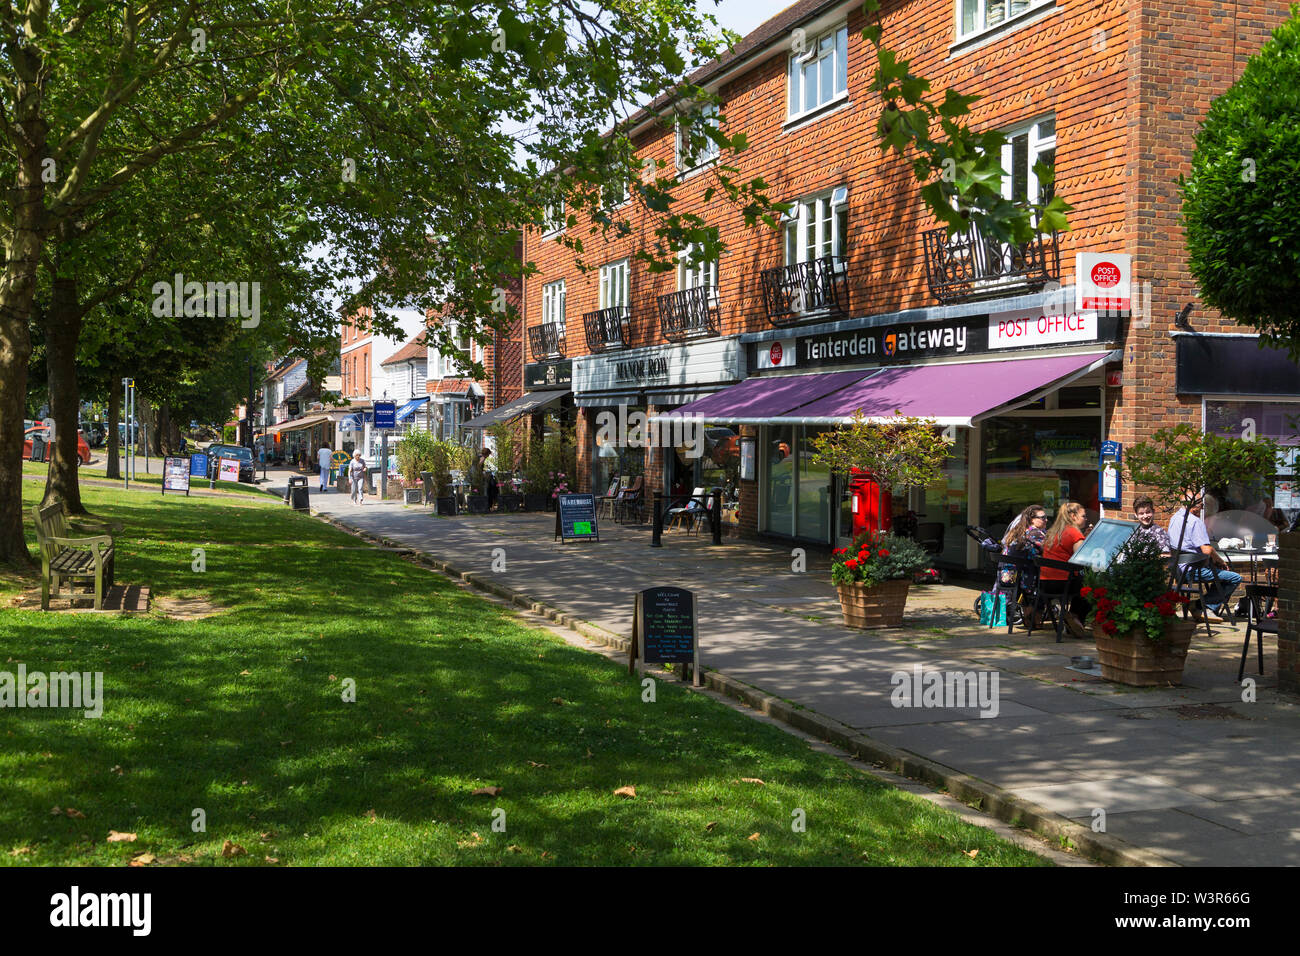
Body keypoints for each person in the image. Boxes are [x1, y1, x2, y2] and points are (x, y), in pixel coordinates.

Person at [1168, 497, 1242, 623]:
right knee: (1234, 578)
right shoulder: (1195, 522)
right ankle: (1201, 606)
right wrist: (1220, 561)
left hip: (1178, 569)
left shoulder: (1174, 518)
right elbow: (1207, 550)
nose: (1202, 508)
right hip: (1193, 569)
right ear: (1194, 505)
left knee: (1220, 575)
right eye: (1201, 505)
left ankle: (1205, 607)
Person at [1040, 501, 1092, 638]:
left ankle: (1072, 618)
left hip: (1045, 584)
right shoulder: (1074, 533)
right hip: (1063, 584)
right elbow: (1083, 559)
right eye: (1084, 516)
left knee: (1082, 583)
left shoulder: (1053, 531)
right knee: (1092, 587)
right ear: (1073, 516)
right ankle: (1075, 618)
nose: (1086, 519)